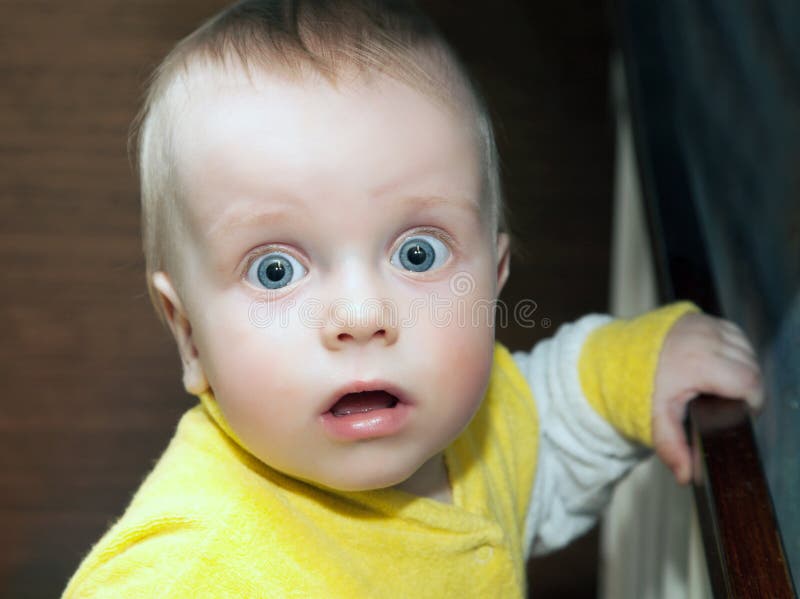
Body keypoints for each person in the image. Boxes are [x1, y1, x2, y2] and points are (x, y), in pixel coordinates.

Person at [63, 1, 763, 596]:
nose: (362, 316)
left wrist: (638, 366)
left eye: (416, 253)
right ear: (189, 336)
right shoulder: (196, 561)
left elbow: (546, 427)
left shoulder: (474, 435)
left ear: (495, 280)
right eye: (275, 269)